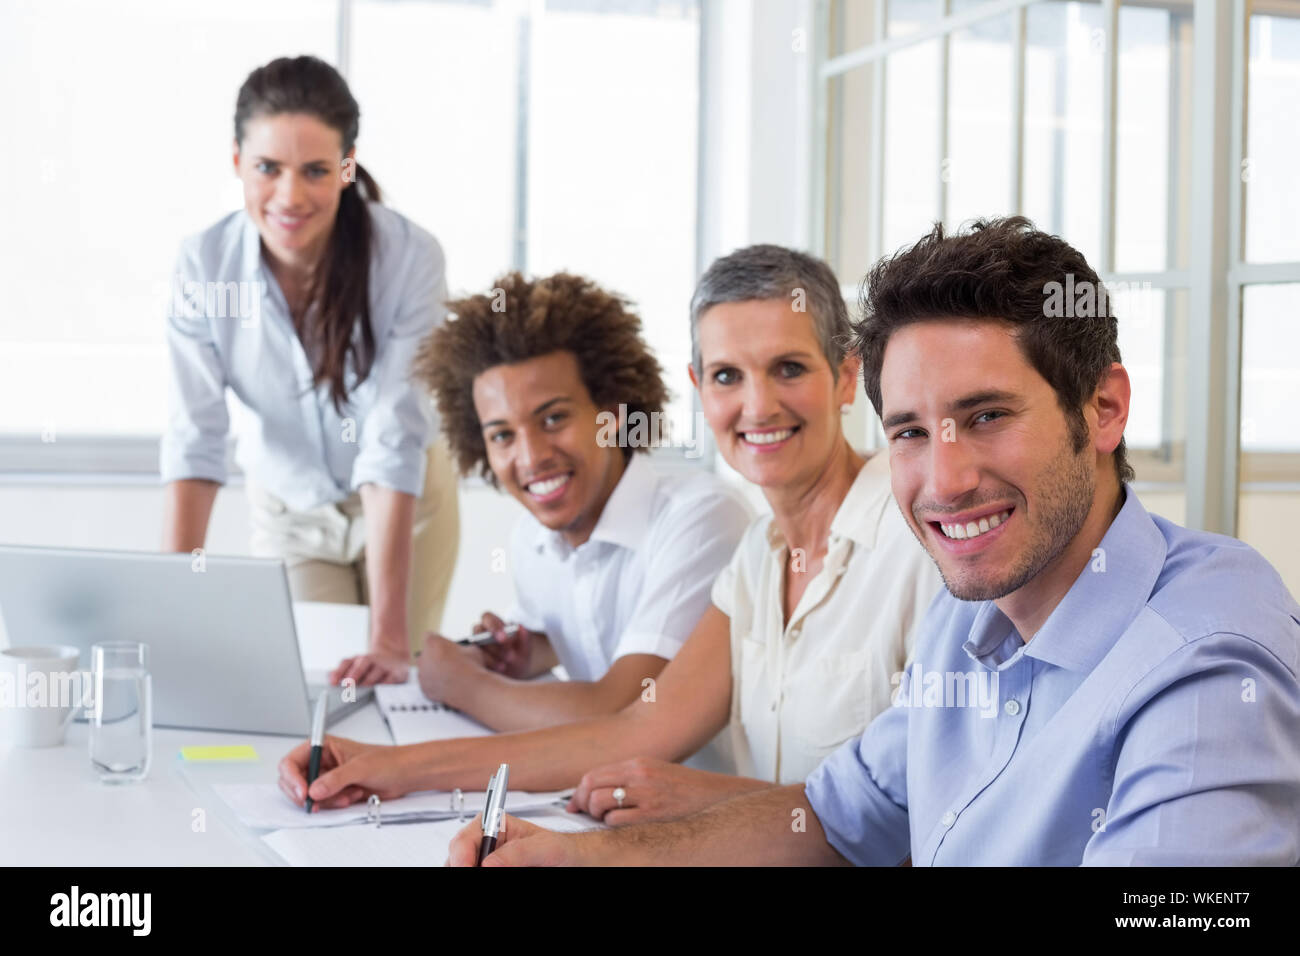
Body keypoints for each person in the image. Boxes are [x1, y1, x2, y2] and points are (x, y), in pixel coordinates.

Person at [445, 217, 1300, 866]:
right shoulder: (970, 619)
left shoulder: (1204, 667)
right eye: (910, 433)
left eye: (987, 417)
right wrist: (574, 855)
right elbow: (833, 813)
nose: (946, 480)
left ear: (1103, 408)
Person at [276, 246, 942, 820]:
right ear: (699, 391)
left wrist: (710, 800)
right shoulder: (756, 562)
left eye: (789, 369)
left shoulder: (922, 539)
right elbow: (634, 731)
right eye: (727, 377)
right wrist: (390, 767)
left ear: (848, 376)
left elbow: (927, 813)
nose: (758, 406)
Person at [159, 56, 459, 686]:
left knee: (390, 676)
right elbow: (197, 437)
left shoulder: (408, 258)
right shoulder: (204, 266)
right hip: (292, 508)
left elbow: (393, 436)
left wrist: (387, 637)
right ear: (237, 161)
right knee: (312, 682)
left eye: (316, 171)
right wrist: (170, 611)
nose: (290, 197)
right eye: (268, 168)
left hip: (407, 502)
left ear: (347, 167)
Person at [407, 270, 751, 730]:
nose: (531, 457)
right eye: (503, 434)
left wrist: (461, 684)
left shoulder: (701, 518)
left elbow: (622, 713)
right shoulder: (532, 539)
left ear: (610, 416)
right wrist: (528, 652)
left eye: (552, 419)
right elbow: (599, 631)